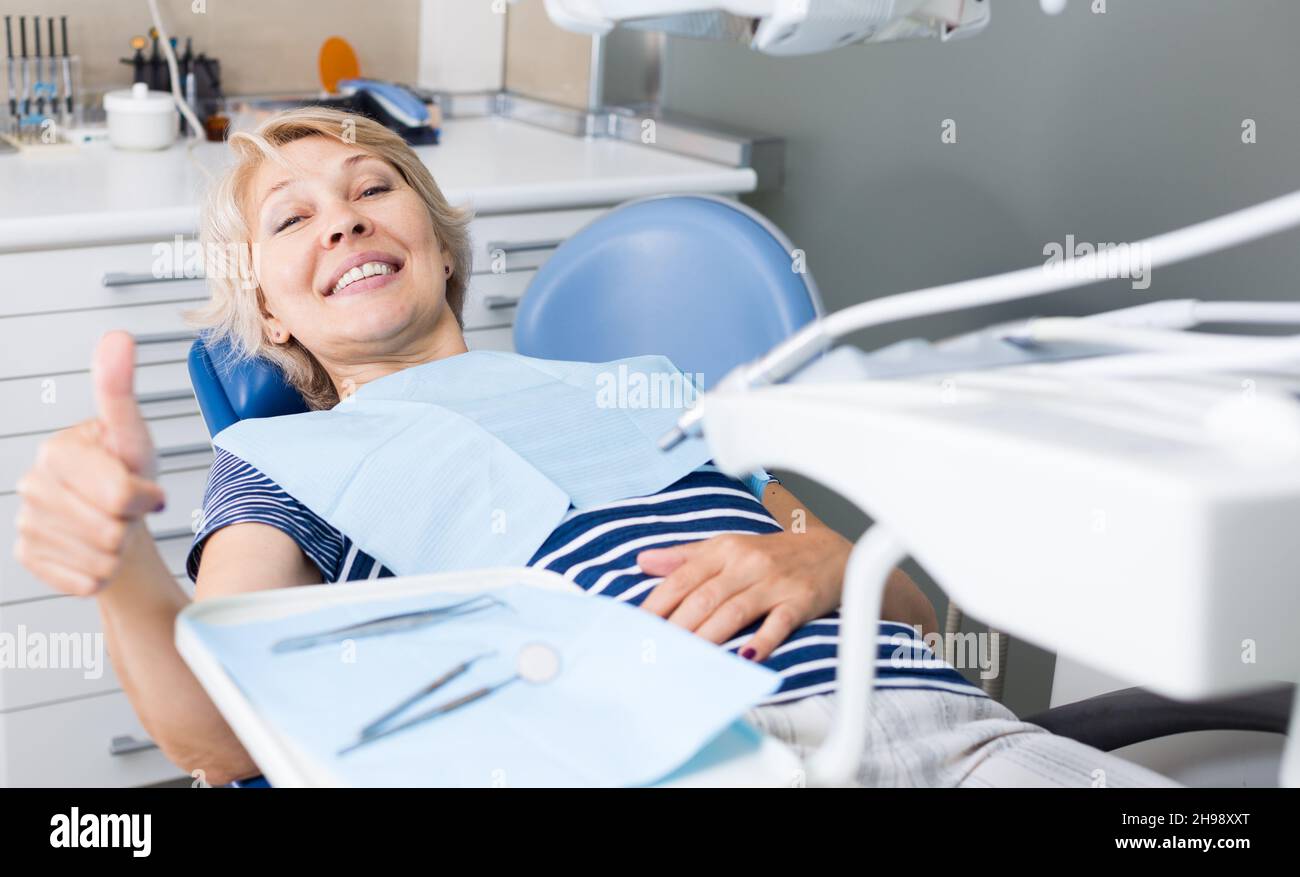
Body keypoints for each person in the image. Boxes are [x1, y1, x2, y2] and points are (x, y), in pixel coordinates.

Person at [12, 108, 1176, 788]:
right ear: (266, 312)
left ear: (441, 242)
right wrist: (123, 572)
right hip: (698, 761)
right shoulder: (281, 463)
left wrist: (830, 560)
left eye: (374, 188)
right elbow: (217, 739)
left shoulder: (637, 392)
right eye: (293, 218)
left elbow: (919, 612)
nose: (346, 218)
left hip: (957, 732)